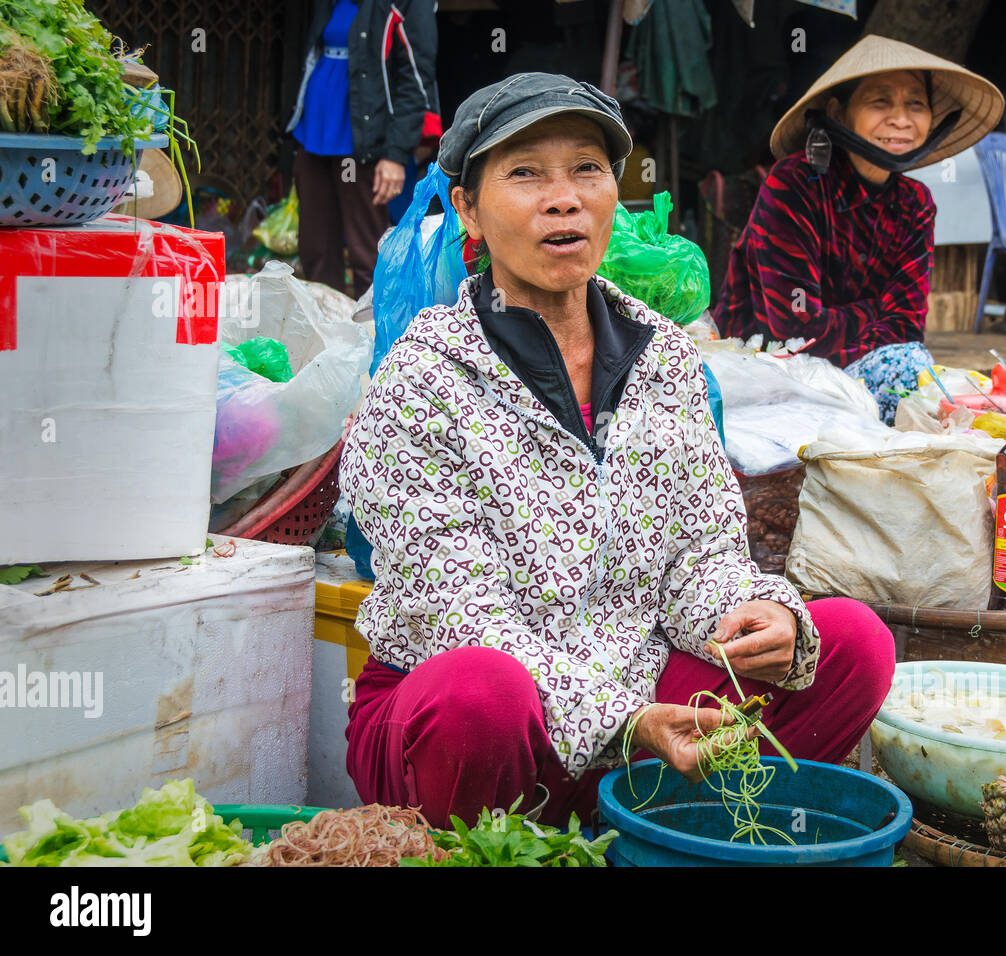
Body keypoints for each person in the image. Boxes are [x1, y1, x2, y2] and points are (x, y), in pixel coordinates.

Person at [338, 73, 896, 829]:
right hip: (485, 732)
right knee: (480, 692)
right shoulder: (424, 378)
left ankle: (650, 831)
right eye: (525, 173)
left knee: (851, 642)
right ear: (467, 206)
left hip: (642, 707)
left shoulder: (665, 359)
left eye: (587, 170)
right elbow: (456, 612)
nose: (562, 198)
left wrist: (754, 614)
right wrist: (626, 719)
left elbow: (703, 553)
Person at [712, 35, 1002, 423]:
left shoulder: (915, 203)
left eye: (915, 104)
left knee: (914, 368)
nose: (901, 119)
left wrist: (846, 323)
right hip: (764, 374)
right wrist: (876, 310)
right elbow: (796, 329)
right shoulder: (794, 184)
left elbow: (908, 327)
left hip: (860, 373)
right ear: (838, 111)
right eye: (880, 101)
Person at [287, 0, 438, 298]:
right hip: (315, 132)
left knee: (366, 251)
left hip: (364, 138)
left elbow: (416, 81)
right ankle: (326, 332)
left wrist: (395, 155)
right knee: (315, 247)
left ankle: (372, 336)